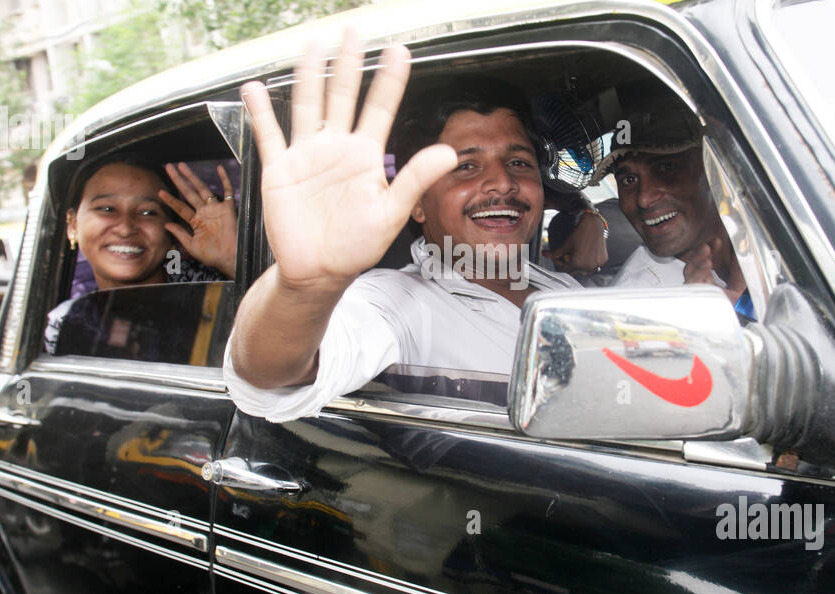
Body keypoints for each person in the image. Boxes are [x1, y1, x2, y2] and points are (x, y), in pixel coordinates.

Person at [224, 31, 579, 422]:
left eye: (518, 163)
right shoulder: (398, 302)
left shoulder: (561, 289)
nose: (503, 183)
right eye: (466, 166)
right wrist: (307, 289)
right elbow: (270, 375)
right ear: (418, 204)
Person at [44, 158, 237, 353]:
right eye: (107, 209)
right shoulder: (66, 323)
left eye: (147, 212)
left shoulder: (215, 295)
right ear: (73, 226)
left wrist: (232, 261)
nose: (125, 229)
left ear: (172, 233)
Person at [595, 95, 756, 320]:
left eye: (666, 167)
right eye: (628, 180)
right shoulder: (634, 306)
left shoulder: (770, 240)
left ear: (714, 171)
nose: (644, 198)